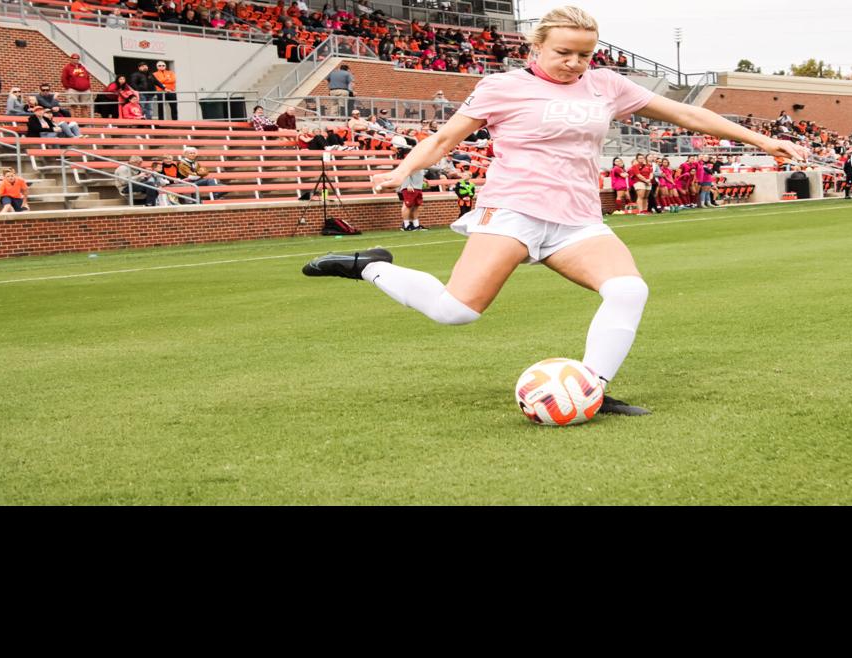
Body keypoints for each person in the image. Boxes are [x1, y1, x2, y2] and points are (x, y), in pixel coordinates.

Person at [301, 5, 810, 418]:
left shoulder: (607, 85)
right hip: (514, 211)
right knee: (455, 311)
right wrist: (399, 172)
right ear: (536, 47)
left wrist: (759, 138)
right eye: (564, 52)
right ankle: (370, 265)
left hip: (578, 219)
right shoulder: (501, 87)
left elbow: (684, 112)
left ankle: (590, 386)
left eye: (584, 55)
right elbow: (444, 139)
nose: (574, 63)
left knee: (629, 289)